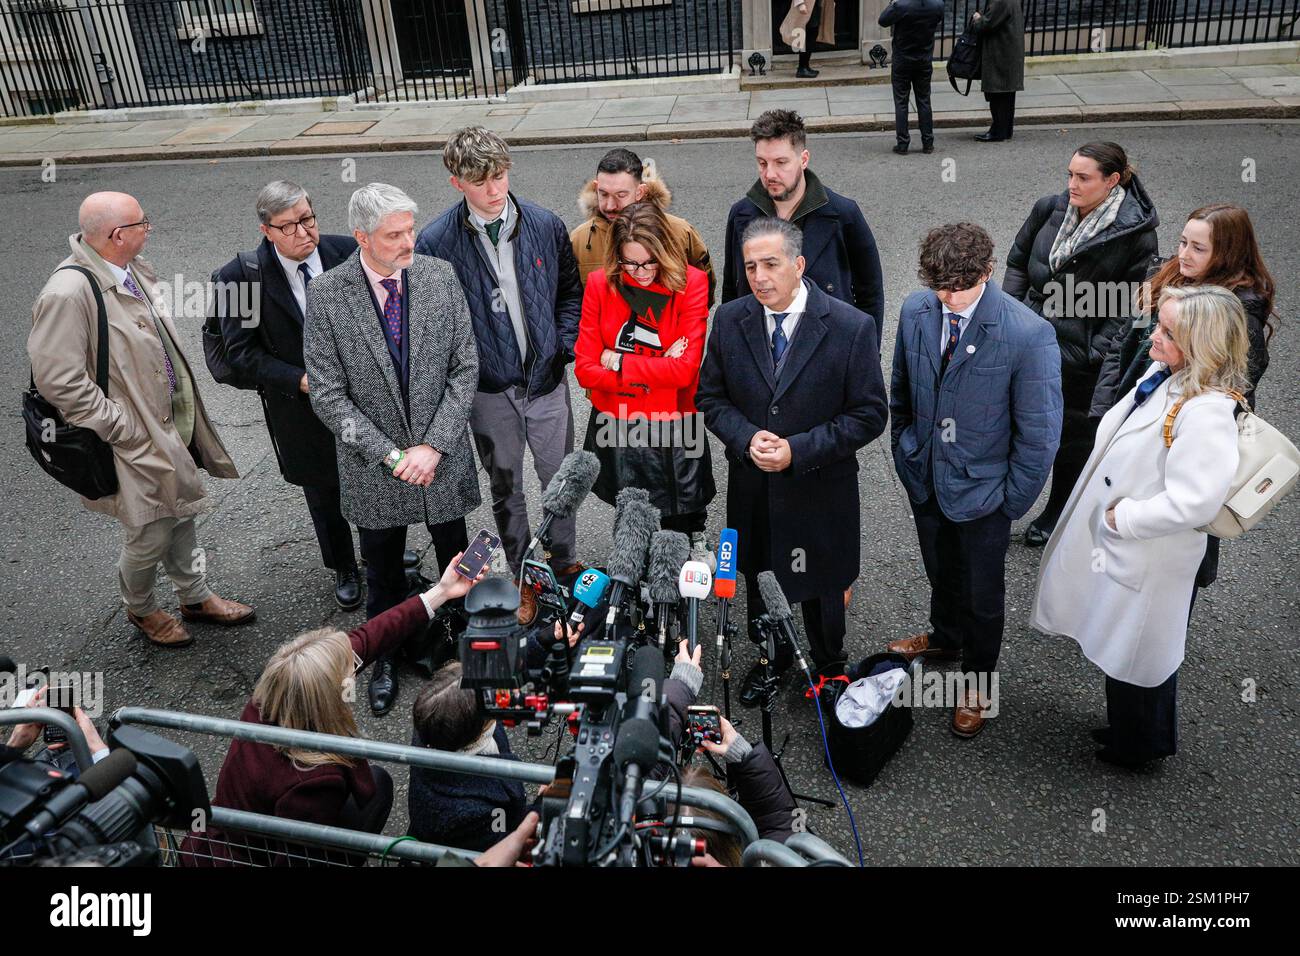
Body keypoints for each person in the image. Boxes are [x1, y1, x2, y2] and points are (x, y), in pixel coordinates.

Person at [1031, 286, 1248, 769]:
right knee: (1125, 647)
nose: (1154, 337)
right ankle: (1129, 730)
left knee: (1142, 654)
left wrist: (1122, 518)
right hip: (1131, 552)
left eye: (1169, 333)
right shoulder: (1166, 373)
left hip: (1147, 552)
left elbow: (1195, 502)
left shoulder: (1207, 412)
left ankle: (1141, 746)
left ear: (1200, 345)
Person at [29, 191, 252, 649]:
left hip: (168, 421)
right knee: (150, 528)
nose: (149, 229)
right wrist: (121, 427)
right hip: (134, 433)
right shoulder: (67, 293)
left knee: (181, 511)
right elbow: (60, 382)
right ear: (116, 235)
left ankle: (194, 596)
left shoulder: (129, 268)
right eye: (142, 224)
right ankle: (142, 608)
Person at [180, 556, 486, 866]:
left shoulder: (275, 694)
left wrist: (443, 591)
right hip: (253, 859)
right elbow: (296, 859)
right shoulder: (313, 781)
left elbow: (370, 638)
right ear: (327, 699)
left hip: (215, 836)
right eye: (348, 673)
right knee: (376, 788)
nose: (354, 669)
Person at [304, 183, 481, 716]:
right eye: (395, 235)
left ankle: (469, 642)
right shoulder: (328, 294)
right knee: (380, 572)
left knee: (460, 556)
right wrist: (392, 455)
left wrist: (433, 445)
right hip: (374, 469)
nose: (410, 242)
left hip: (440, 458)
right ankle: (381, 655)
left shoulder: (438, 275)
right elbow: (329, 396)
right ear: (362, 237)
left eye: (410, 229)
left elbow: (464, 365)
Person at [696, 217, 888, 703]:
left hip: (820, 487)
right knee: (762, 575)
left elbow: (869, 414)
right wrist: (746, 438)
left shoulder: (850, 327)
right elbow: (711, 397)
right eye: (750, 266)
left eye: (771, 264)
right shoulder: (730, 319)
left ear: (799, 265)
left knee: (823, 585)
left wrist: (796, 450)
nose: (759, 276)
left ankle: (830, 665)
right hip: (754, 486)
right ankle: (773, 657)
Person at [885, 223, 1062, 738]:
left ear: (987, 273)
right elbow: (901, 393)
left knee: (983, 599)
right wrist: (907, 452)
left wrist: (1008, 503)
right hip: (927, 480)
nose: (946, 297)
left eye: (957, 287)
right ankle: (945, 639)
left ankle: (979, 685)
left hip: (986, 497)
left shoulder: (1029, 335)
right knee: (941, 571)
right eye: (938, 285)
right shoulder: (916, 311)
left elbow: (1039, 438)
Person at [415, 127, 586, 624]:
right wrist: (470, 373)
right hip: (489, 393)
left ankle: (566, 563)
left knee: (562, 480)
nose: (495, 189)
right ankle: (524, 573)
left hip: (547, 382)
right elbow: (435, 323)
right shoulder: (434, 242)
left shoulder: (544, 223)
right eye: (481, 180)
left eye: (501, 175)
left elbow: (569, 293)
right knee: (506, 486)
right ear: (456, 183)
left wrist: (563, 346)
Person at [1090, 203, 1276, 610]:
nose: (1184, 255)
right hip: (1135, 412)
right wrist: (1106, 411)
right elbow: (1122, 343)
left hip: (1177, 438)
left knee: (1175, 539)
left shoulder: (1235, 313)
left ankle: (1164, 626)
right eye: (1182, 242)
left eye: (1199, 248)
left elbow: (1227, 390)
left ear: (1226, 253)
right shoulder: (1167, 277)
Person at [214, 181, 362, 611]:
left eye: (308, 219)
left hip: (363, 395)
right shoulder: (237, 277)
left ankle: (380, 550)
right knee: (323, 486)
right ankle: (344, 566)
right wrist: (300, 380)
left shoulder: (348, 251)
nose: (304, 233)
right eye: (289, 226)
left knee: (376, 471)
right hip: (299, 406)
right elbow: (240, 355)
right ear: (267, 231)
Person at [1003, 142, 1159, 547]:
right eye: (1070, 174)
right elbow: (1019, 261)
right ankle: (1000, 509)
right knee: (1008, 425)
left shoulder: (1135, 233)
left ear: (1112, 181)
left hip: (1079, 356)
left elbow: (1135, 305)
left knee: (1069, 439)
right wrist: (1010, 312)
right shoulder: (1049, 208)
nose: (1071, 184)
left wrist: (1096, 350)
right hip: (1026, 338)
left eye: (1083, 177)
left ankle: (1056, 511)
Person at [573, 201, 716, 558]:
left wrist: (617, 359)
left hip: (676, 420)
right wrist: (657, 366)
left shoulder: (691, 284)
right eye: (630, 262)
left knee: (681, 507)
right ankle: (638, 590)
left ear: (665, 251)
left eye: (649, 261)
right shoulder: (599, 285)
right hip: (619, 419)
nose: (640, 272)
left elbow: (685, 370)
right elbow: (584, 368)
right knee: (632, 511)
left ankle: (689, 553)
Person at [721, 110, 885, 351]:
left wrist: (865, 355)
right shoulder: (741, 214)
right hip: (759, 353)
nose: (770, 174)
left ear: (804, 159)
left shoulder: (843, 213)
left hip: (829, 352)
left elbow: (870, 293)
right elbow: (732, 290)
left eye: (781, 162)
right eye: (762, 163)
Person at [407, 660, 526, 853]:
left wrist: (543, 641)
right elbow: (505, 842)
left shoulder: (434, 719)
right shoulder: (467, 814)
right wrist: (543, 806)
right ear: (476, 732)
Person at [570, 147, 715, 302]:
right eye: (603, 194)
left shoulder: (679, 232)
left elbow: (704, 289)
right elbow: (571, 300)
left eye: (621, 195)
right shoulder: (579, 239)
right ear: (596, 186)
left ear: (640, 191)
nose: (610, 205)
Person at [878, 0, 944, 155]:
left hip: (903, 59)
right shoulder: (937, 5)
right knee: (924, 100)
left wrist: (893, 4)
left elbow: (882, 20)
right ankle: (928, 143)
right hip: (924, 59)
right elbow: (937, 21)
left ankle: (903, 144)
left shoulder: (901, 5)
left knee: (901, 101)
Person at [969, 0, 1024, 142]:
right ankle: (1005, 130)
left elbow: (988, 24)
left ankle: (998, 132)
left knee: (997, 94)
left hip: (1000, 53)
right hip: (1008, 51)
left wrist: (977, 19)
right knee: (1007, 95)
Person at [779, 0, 835, 78]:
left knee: (812, 33)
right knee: (806, 34)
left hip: (815, 5)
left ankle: (805, 66)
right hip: (806, 5)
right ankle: (802, 68)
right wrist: (800, 3)